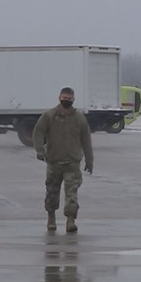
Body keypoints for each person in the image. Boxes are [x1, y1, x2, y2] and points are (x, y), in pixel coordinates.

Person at [33, 87, 94, 233]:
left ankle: (70, 220)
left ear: (73, 100)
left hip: (72, 163)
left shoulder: (79, 118)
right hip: (54, 162)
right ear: (59, 98)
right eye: (64, 98)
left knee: (71, 194)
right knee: (51, 192)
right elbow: (38, 132)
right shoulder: (50, 116)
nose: (66, 101)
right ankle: (51, 219)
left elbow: (86, 141)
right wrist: (40, 150)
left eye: (69, 98)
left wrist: (89, 161)